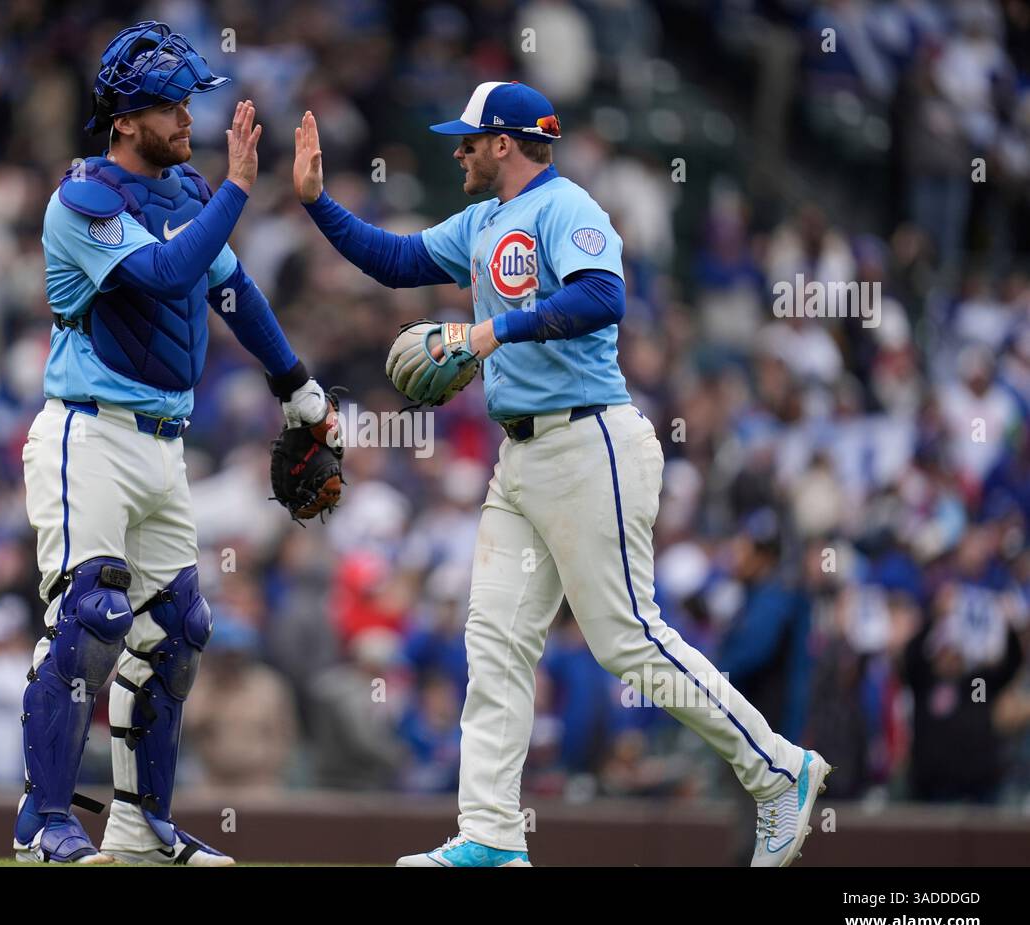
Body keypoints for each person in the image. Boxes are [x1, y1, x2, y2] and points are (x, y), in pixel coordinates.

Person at [292, 80, 829, 867]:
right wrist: (316, 204)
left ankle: (779, 770)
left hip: (589, 443)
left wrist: (489, 332)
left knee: (628, 642)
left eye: (470, 139)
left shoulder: (565, 206)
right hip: (523, 459)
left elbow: (605, 296)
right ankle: (492, 836)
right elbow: (400, 261)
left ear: (504, 143)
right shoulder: (484, 219)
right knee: (496, 637)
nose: (459, 150)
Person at [15, 21, 330, 865]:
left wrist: (294, 384)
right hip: (90, 431)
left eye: (189, 99)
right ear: (124, 118)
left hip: (163, 441)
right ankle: (43, 822)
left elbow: (228, 291)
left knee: (179, 629)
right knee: (92, 616)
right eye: (169, 104)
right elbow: (160, 276)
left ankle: (139, 827)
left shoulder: (187, 194)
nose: (187, 117)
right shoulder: (79, 200)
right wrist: (235, 191)